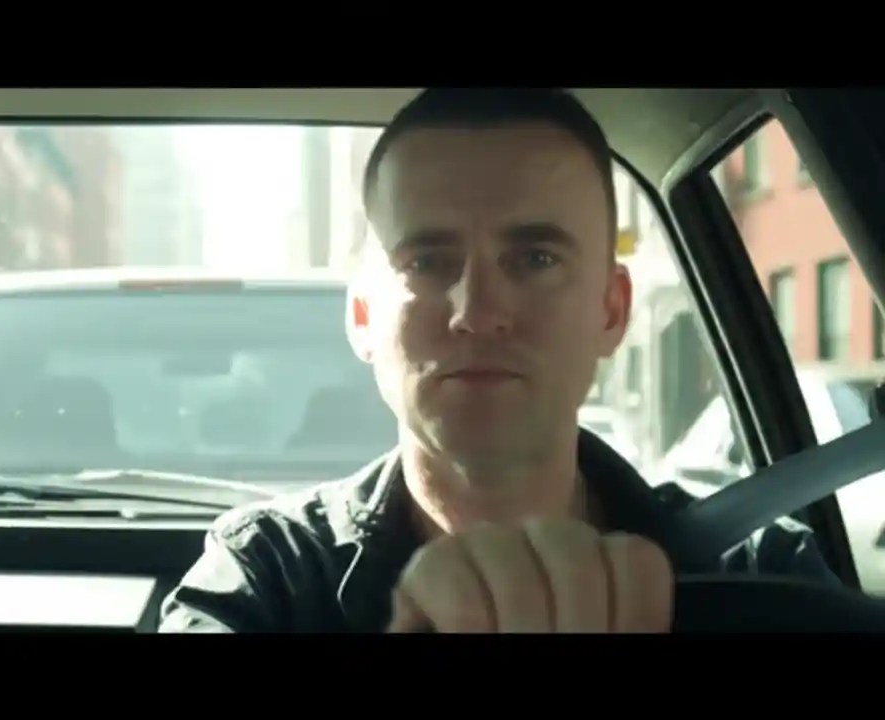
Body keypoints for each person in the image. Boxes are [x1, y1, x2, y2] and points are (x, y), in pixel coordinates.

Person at [158, 88, 841, 633]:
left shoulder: (759, 574)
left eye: (535, 259)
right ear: (362, 316)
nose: (477, 311)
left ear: (611, 309)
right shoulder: (268, 576)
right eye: (427, 261)